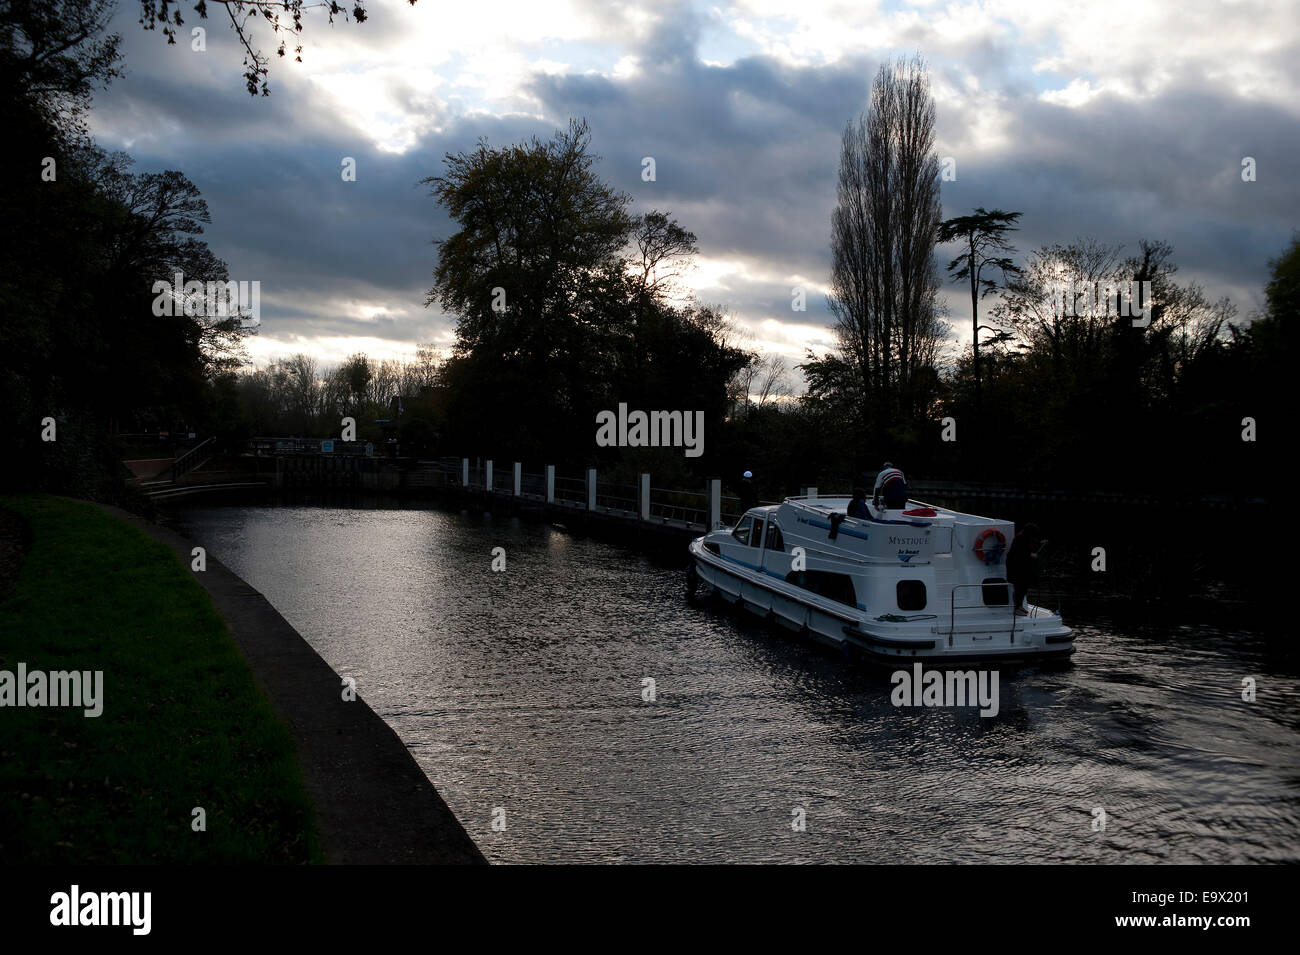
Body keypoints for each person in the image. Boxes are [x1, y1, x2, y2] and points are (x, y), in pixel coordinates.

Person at [1005, 523, 1046, 615]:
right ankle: (1016, 608)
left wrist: (1040, 543)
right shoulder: (1019, 539)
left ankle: (1019, 606)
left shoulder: (1026, 538)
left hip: (1023, 567)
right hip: (1016, 567)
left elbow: (1030, 545)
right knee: (1019, 587)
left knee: (1024, 587)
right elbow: (1019, 552)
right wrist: (1030, 555)